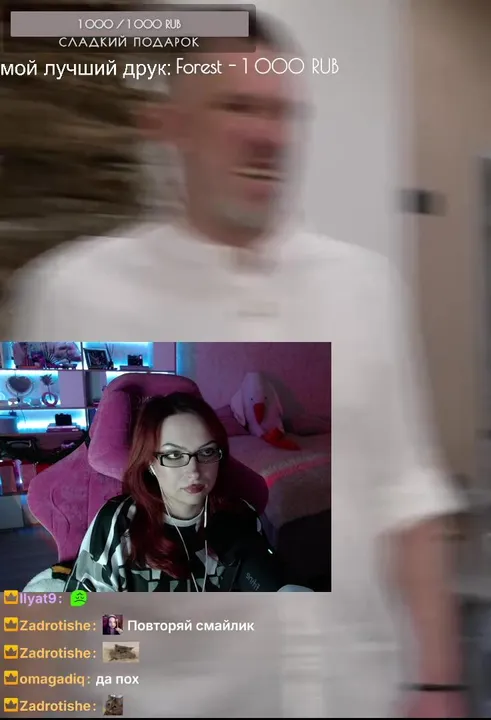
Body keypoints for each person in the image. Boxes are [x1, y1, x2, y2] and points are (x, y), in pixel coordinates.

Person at [7, 16, 466, 718]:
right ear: (170, 127)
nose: (267, 135)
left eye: (283, 114)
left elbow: (412, 501)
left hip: (355, 696)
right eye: (237, 106)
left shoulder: (366, 289)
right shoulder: (76, 291)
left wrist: (437, 683)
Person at [66, 392, 276, 593]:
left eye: (206, 451)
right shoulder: (118, 522)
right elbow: (79, 603)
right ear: (150, 462)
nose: (194, 471)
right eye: (174, 455)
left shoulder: (241, 517)